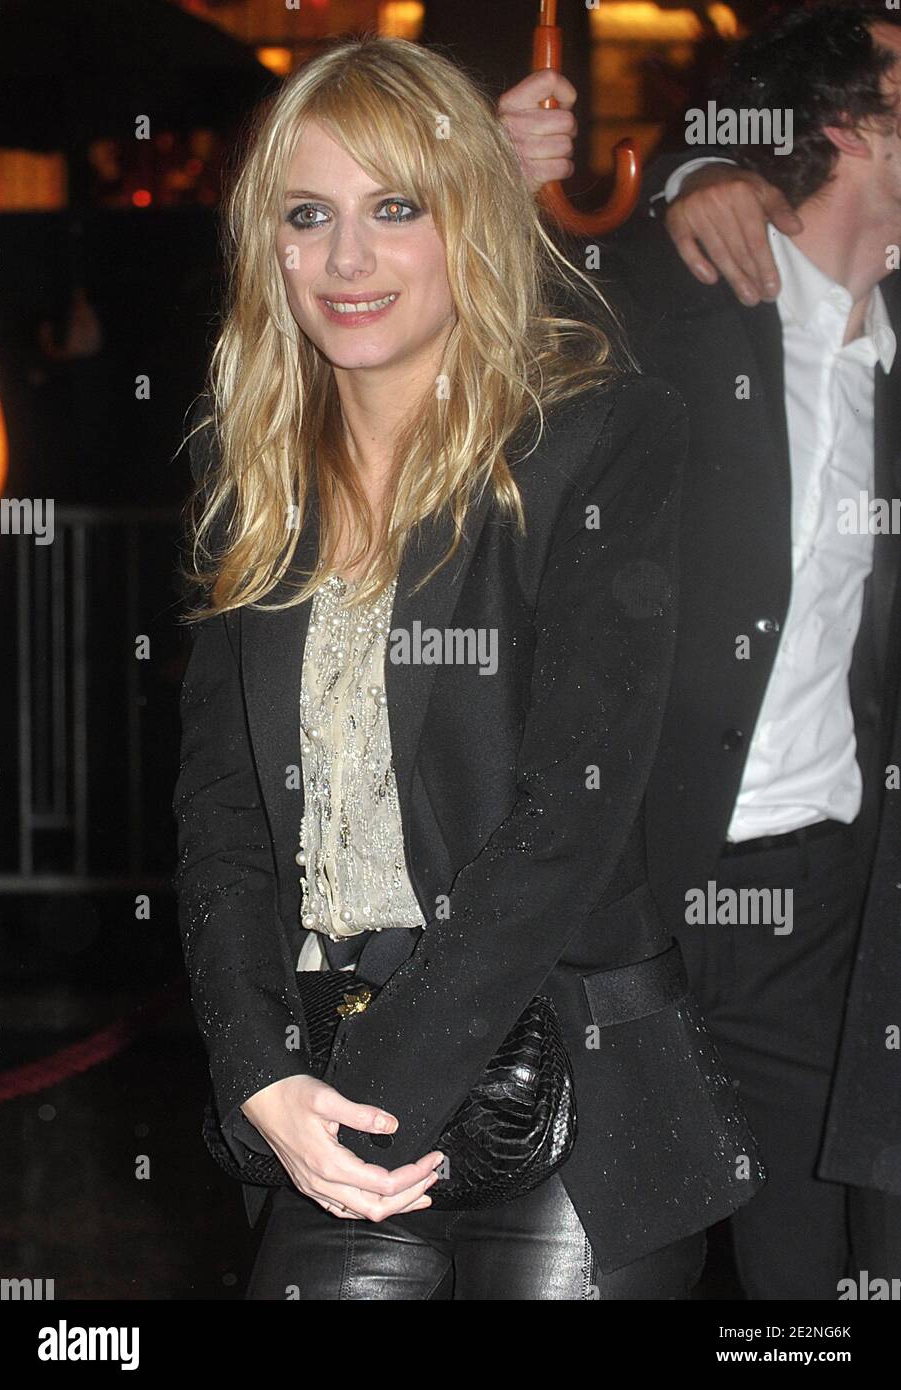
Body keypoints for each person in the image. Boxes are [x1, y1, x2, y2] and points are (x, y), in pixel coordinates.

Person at [173, 34, 764, 1301]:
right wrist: (260, 1079)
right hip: (324, 1096)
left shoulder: (596, 440)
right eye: (307, 215)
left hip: (574, 1098)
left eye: (396, 210)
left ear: (471, 224)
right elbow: (220, 819)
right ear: (266, 245)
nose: (346, 259)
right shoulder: (254, 488)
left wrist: (369, 1101)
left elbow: (573, 816)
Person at [499, 3, 901, 1300]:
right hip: (628, 912)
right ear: (850, 125)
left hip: (818, 921)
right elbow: (487, 325)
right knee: (617, 1275)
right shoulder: (677, 293)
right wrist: (522, 173)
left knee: (810, 1288)